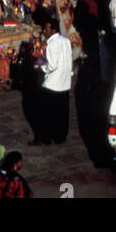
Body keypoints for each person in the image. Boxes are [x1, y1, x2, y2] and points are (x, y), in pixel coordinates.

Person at [36, 16, 73, 145]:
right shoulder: (66, 41)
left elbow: (51, 65)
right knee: (62, 114)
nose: (44, 32)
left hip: (52, 84)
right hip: (64, 83)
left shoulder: (52, 44)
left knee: (46, 114)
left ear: (53, 30)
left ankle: (45, 138)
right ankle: (60, 137)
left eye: (46, 29)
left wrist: (41, 66)